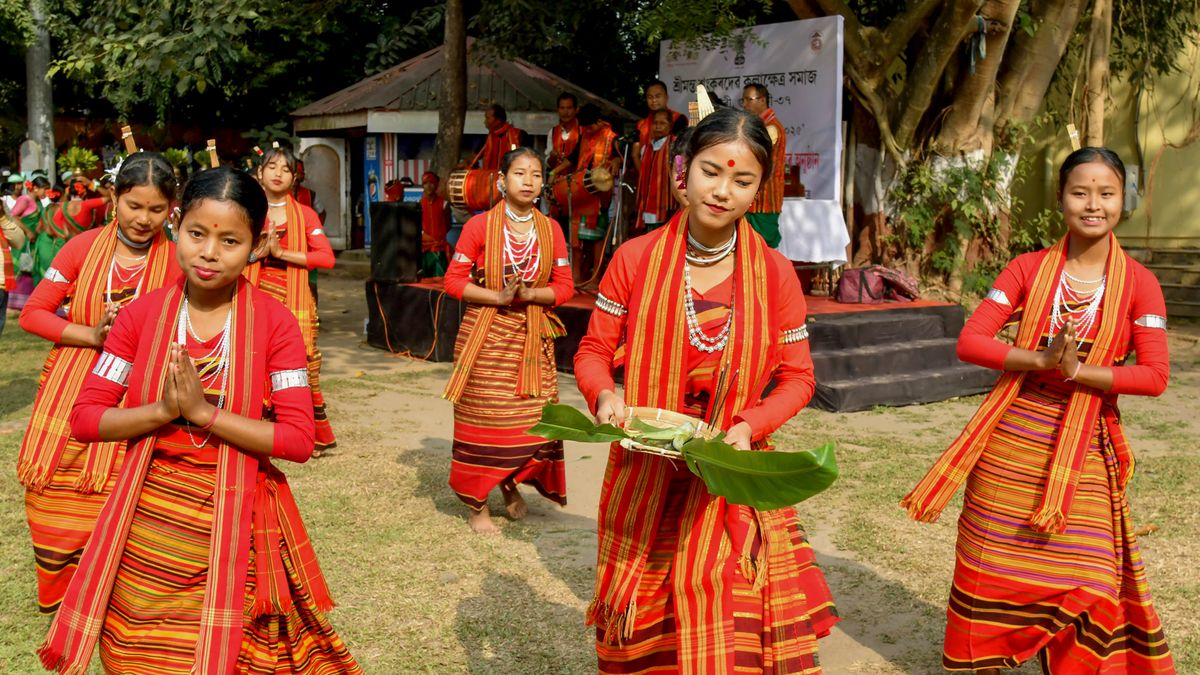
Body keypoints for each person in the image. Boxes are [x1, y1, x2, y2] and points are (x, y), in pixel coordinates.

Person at [40, 167, 361, 674]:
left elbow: (298, 441)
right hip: (145, 522)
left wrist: (203, 414)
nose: (209, 252)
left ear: (257, 246)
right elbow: (85, 419)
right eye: (197, 234)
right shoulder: (138, 318)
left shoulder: (277, 325)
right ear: (175, 229)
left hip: (236, 518)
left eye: (230, 240)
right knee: (134, 656)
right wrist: (164, 412)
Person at [574, 107, 838, 671]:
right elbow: (594, 351)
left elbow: (799, 377)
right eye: (710, 172)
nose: (722, 191)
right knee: (643, 638)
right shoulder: (635, 258)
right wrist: (604, 396)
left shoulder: (774, 273)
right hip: (644, 471)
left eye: (742, 181)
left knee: (727, 627)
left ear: (759, 192)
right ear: (682, 173)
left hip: (728, 475)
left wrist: (749, 426)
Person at [902, 147, 1175, 674]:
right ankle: (984, 658)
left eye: (1106, 193)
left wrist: (1076, 371)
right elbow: (971, 340)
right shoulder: (1026, 268)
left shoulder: (1141, 283)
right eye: (1080, 192)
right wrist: (1041, 359)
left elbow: (1156, 376)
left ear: (1124, 199)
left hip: (1085, 445)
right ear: (1060, 199)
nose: (1093, 204)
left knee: (1093, 581)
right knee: (991, 569)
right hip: (1009, 438)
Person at [16, 152, 180, 615]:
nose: (144, 219)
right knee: (52, 496)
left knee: (125, 492)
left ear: (172, 208)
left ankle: (112, 595)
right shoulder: (82, 247)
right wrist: (93, 334)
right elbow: (33, 313)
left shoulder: (179, 259)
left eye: (156, 209)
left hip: (140, 394)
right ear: (113, 197)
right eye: (134, 205)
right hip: (71, 389)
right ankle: (61, 595)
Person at [442, 147, 575, 535]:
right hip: (486, 337)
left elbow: (565, 287)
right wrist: (498, 297)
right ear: (502, 180)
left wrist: (531, 295)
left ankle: (510, 483)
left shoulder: (551, 229)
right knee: (484, 423)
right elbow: (453, 281)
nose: (529, 181)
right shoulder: (479, 226)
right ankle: (477, 504)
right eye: (520, 173)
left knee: (530, 423)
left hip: (532, 339)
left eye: (536, 175)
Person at [249, 145, 338, 456]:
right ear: (259, 173)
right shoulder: (246, 211)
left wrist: (281, 253)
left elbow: (326, 258)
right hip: (252, 297)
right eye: (272, 167)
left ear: (294, 179)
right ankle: (258, 429)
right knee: (253, 360)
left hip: (295, 299)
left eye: (285, 169)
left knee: (303, 365)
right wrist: (255, 254)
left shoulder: (305, 214)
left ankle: (309, 434)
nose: (278, 174)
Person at [571, 104, 619, 284]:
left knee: (597, 237)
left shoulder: (612, 138)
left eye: (590, 126)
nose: (588, 130)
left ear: (599, 122)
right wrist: (554, 173)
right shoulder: (584, 136)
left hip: (600, 197)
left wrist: (615, 160)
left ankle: (595, 277)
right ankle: (577, 276)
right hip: (581, 193)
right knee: (578, 237)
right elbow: (572, 158)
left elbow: (621, 157)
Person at [741, 82, 786, 248]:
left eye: (748, 99)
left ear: (762, 100)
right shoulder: (760, 126)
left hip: (766, 199)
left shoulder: (772, 128)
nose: (745, 105)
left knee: (765, 245)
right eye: (743, 100)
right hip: (753, 197)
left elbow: (755, 155)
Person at [633, 109, 676, 233]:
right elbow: (642, 174)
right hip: (647, 204)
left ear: (670, 126)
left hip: (667, 206)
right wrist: (635, 157)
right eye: (655, 123)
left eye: (662, 123)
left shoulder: (676, 145)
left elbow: (681, 173)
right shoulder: (646, 147)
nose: (657, 127)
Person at [473, 104, 527, 172]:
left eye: (487, 118)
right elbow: (475, 156)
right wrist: (464, 163)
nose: (485, 121)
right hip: (491, 178)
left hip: (510, 178)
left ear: (498, 121)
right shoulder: (487, 139)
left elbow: (527, 159)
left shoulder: (519, 135)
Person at [637, 79, 685, 149]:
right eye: (650, 97)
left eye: (658, 96)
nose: (654, 100)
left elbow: (682, 149)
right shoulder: (640, 125)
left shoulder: (678, 119)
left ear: (666, 98)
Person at [419, 171, 451, 277]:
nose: (428, 186)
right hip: (424, 250)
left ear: (436, 184)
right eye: (425, 183)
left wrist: (438, 237)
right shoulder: (419, 205)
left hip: (439, 249)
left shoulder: (444, 204)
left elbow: (448, 225)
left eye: (431, 182)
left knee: (439, 280)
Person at [546, 92, 582, 184]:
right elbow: (549, 164)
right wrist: (552, 157)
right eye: (562, 108)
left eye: (569, 108)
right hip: (557, 184)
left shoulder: (583, 131)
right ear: (558, 110)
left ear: (576, 109)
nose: (565, 112)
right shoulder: (553, 132)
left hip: (578, 183)